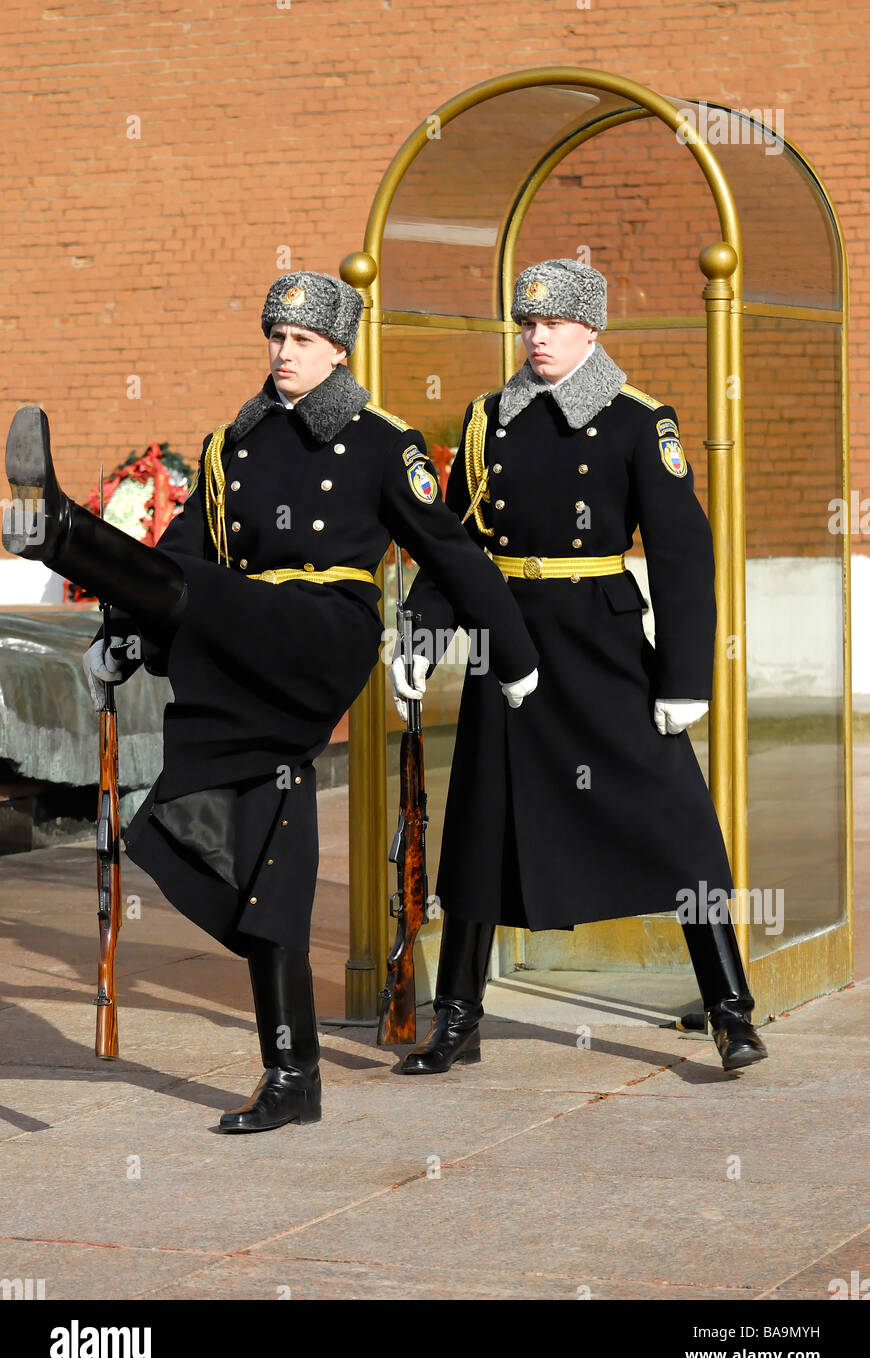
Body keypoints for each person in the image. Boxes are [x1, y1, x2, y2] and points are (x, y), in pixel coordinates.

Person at [3, 270, 539, 1132]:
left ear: (337, 350)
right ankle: (293, 1075)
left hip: (323, 635)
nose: (282, 354)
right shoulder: (230, 447)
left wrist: (508, 652)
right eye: (274, 338)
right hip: (244, 645)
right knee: (260, 848)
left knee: (218, 598)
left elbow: (451, 555)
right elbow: (182, 562)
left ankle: (61, 529)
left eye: (300, 341)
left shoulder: (380, 441)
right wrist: (125, 639)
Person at [390, 258, 767, 1076]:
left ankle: (730, 1009)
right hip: (508, 638)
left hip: (602, 642)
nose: (537, 337)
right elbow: (457, 549)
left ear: (592, 330)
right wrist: (422, 634)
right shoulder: (490, 419)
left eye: (554, 324)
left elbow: (680, 555)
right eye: (527, 324)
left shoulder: (639, 421)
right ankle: (456, 1017)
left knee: (678, 826)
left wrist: (684, 679)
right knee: (483, 826)